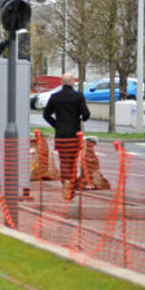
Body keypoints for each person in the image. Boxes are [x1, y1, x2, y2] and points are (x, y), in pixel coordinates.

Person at [42, 72, 91, 200]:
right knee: (73, 160)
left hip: (61, 135)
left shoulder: (55, 97)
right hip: (74, 134)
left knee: (64, 160)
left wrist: (56, 125)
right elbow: (86, 114)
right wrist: (80, 119)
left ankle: (65, 181)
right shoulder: (78, 97)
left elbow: (46, 115)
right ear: (72, 82)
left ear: (62, 82)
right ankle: (71, 184)